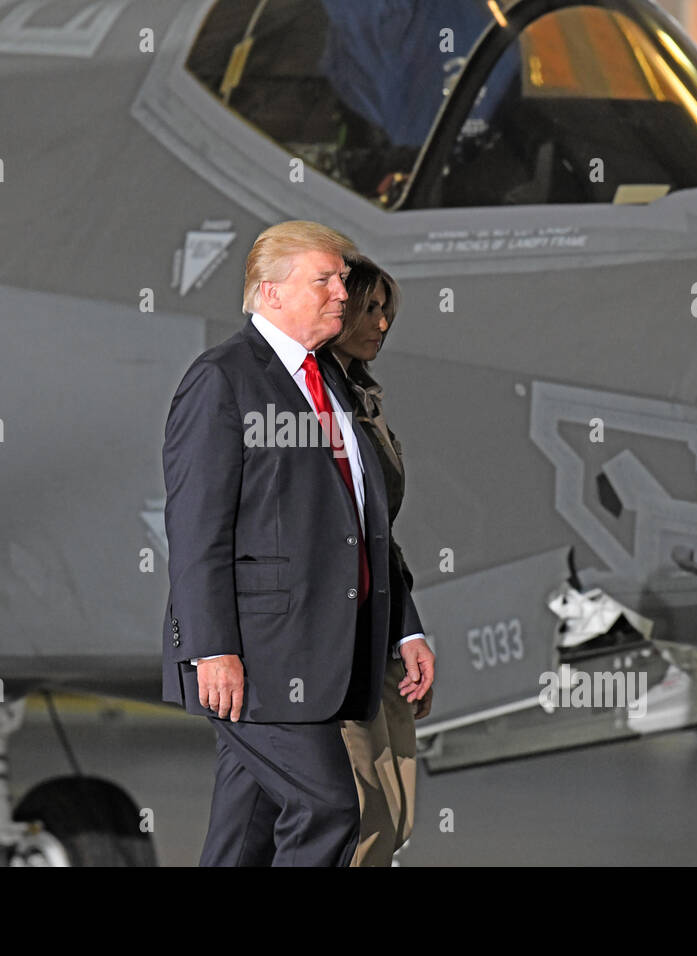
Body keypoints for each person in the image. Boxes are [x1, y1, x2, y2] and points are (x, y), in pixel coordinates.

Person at [161, 220, 436, 866]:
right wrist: (213, 648)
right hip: (256, 657)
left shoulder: (334, 383)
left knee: (245, 834)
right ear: (270, 291)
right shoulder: (222, 380)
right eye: (326, 280)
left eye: (343, 279)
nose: (342, 292)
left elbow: (363, 524)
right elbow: (198, 528)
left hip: (321, 651)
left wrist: (404, 627)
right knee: (330, 807)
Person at [323, 255, 431, 866]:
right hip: (330, 644)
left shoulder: (361, 398)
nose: (382, 323)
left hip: (377, 632)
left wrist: (408, 628)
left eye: (387, 309)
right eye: (369, 308)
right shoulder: (295, 399)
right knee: (360, 815)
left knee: (396, 812)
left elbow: (376, 532)